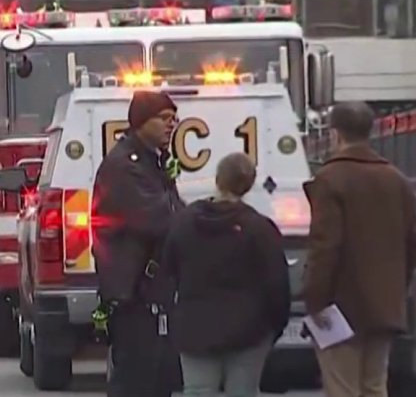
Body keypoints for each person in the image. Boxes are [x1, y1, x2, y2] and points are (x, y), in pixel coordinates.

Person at [304, 101, 416, 397]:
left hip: (342, 307)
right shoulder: (398, 181)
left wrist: (315, 302)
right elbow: (411, 245)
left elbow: (325, 247)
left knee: (342, 388)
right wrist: (397, 291)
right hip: (385, 306)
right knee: (375, 385)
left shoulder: (331, 179)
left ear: (335, 134)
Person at [162, 152, 291, 397]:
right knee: (243, 391)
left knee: (198, 391)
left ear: (218, 179)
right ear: (249, 184)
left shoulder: (183, 222)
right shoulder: (259, 229)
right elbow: (277, 284)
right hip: (249, 329)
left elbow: (168, 271)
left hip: (195, 326)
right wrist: (275, 326)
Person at [92, 90, 185, 397]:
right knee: (136, 380)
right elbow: (157, 218)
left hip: (153, 291)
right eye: (164, 118)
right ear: (141, 122)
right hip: (133, 294)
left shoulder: (152, 162)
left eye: (174, 118)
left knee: (160, 379)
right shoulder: (124, 165)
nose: (171, 125)